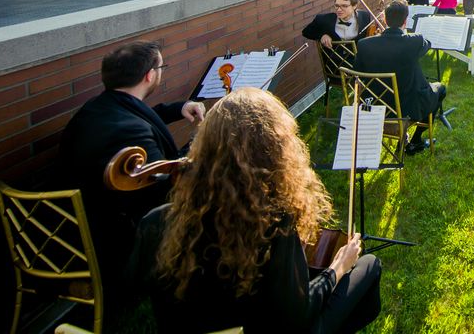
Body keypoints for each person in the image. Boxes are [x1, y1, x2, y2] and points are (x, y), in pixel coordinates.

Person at [130, 88, 382, 334]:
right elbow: (297, 317)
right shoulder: (272, 224)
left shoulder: (154, 221)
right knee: (369, 265)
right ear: (274, 151)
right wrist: (336, 269)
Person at [58, 42, 206, 300]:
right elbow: (166, 188)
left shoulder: (98, 108)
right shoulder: (129, 132)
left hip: (87, 222)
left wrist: (176, 109)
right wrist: (199, 142)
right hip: (123, 242)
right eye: (161, 67)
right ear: (150, 75)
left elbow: (143, 115)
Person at [354, 2, 446, 154]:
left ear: (384, 19)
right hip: (406, 108)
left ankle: (409, 141)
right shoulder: (414, 41)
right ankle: (415, 140)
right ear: (405, 21)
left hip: (375, 105)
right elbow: (427, 44)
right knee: (440, 88)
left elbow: (356, 72)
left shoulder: (364, 44)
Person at [302, 0, 374, 52]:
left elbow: (368, 37)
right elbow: (306, 32)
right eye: (337, 6)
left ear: (354, 6)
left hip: (358, 64)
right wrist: (321, 36)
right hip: (334, 65)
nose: (339, 10)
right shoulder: (323, 19)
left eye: (344, 6)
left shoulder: (365, 16)